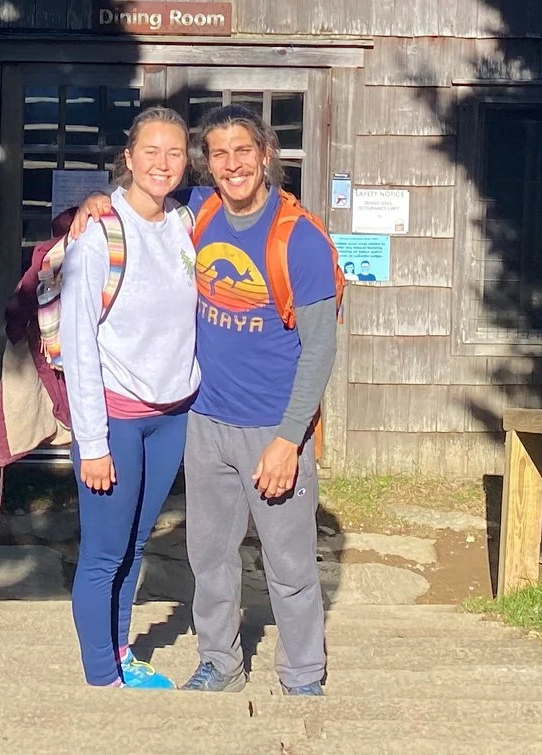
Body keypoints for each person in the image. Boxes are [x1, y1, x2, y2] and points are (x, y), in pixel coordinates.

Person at [175, 104, 339, 698]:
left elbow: (320, 349)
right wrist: (93, 206)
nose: (232, 164)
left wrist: (288, 439)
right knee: (209, 559)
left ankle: (302, 677)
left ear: (266, 154)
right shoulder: (199, 212)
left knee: (290, 566)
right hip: (206, 421)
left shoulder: (302, 240)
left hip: (272, 429)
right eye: (219, 154)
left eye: (243, 151)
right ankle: (219, 663)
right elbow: (134, 203)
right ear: (209, 164)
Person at [56, 105, 202, 689]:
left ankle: (121, 654)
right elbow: (78, 344)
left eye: (174, 153)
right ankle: (101, 678)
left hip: (171, 417)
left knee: (136, 545)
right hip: (115, 418)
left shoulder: (187, 222)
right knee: (103, 553)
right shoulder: (99, 234)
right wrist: (91, 444)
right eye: (151, 152)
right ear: (128, 157)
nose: (162, 164)